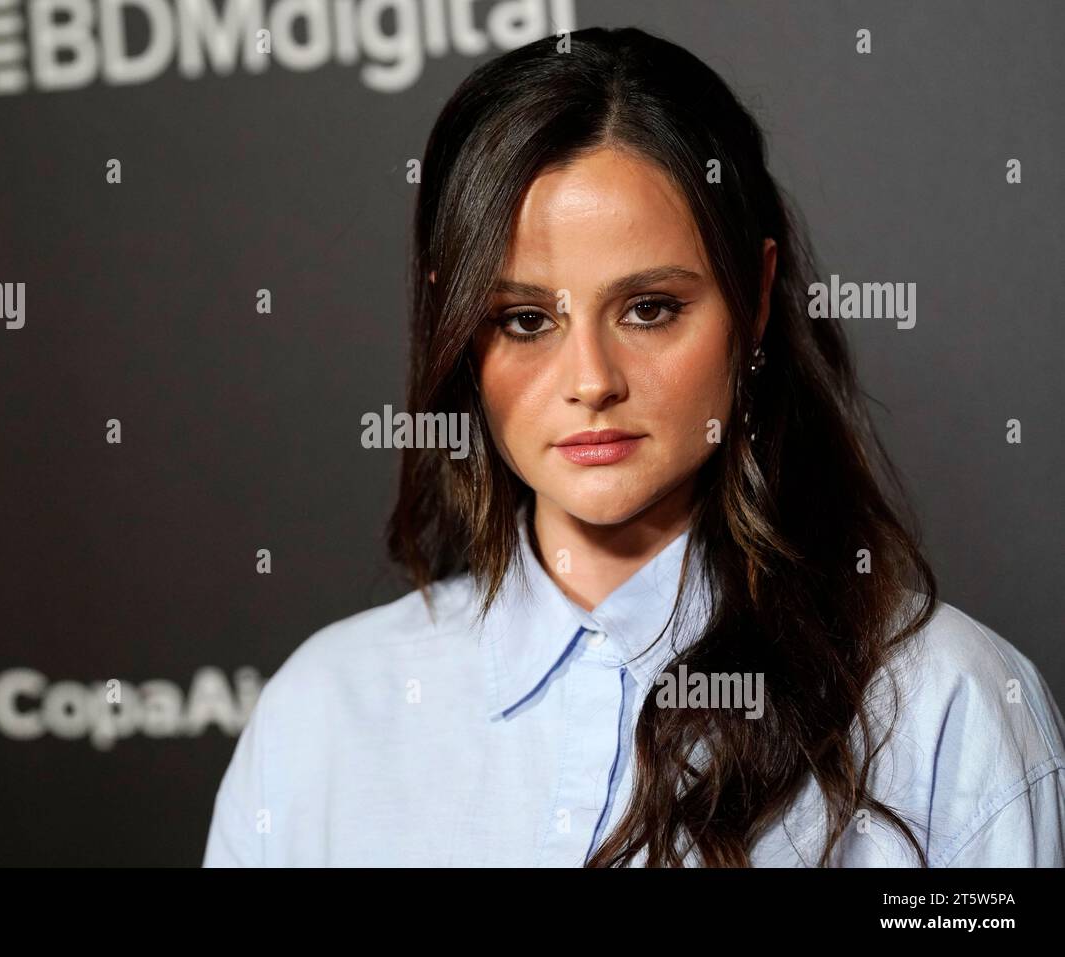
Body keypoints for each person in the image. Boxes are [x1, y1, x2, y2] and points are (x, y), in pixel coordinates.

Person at [202, 26, 1065, 867]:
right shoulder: (321, 716)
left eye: (650, 307)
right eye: (525, 319)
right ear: (458, 331)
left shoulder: (945, 703)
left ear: (756, 296)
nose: (591, 380)